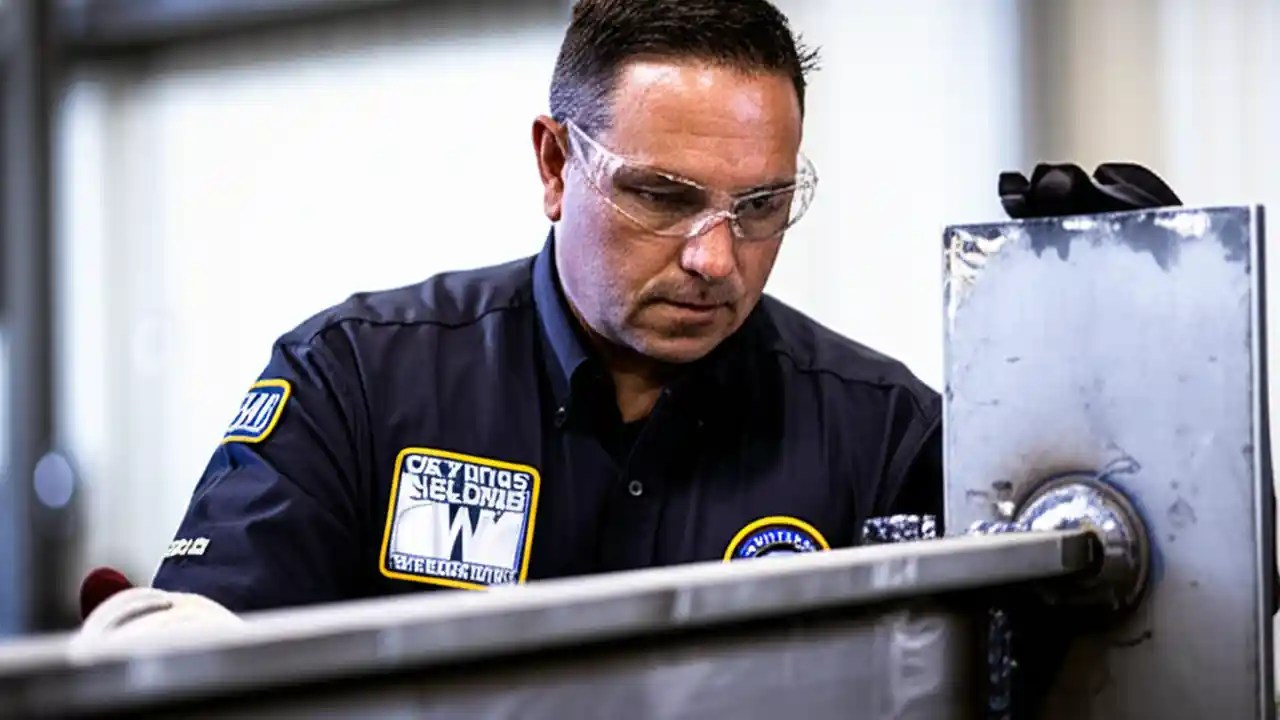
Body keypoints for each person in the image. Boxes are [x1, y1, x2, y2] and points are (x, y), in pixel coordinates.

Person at [122, 0, 943, 618]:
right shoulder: (355, 386)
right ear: (555, 166)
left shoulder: (885, 436)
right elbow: (203, 662)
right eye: (662, 196)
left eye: (761, 206)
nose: (716, 260)